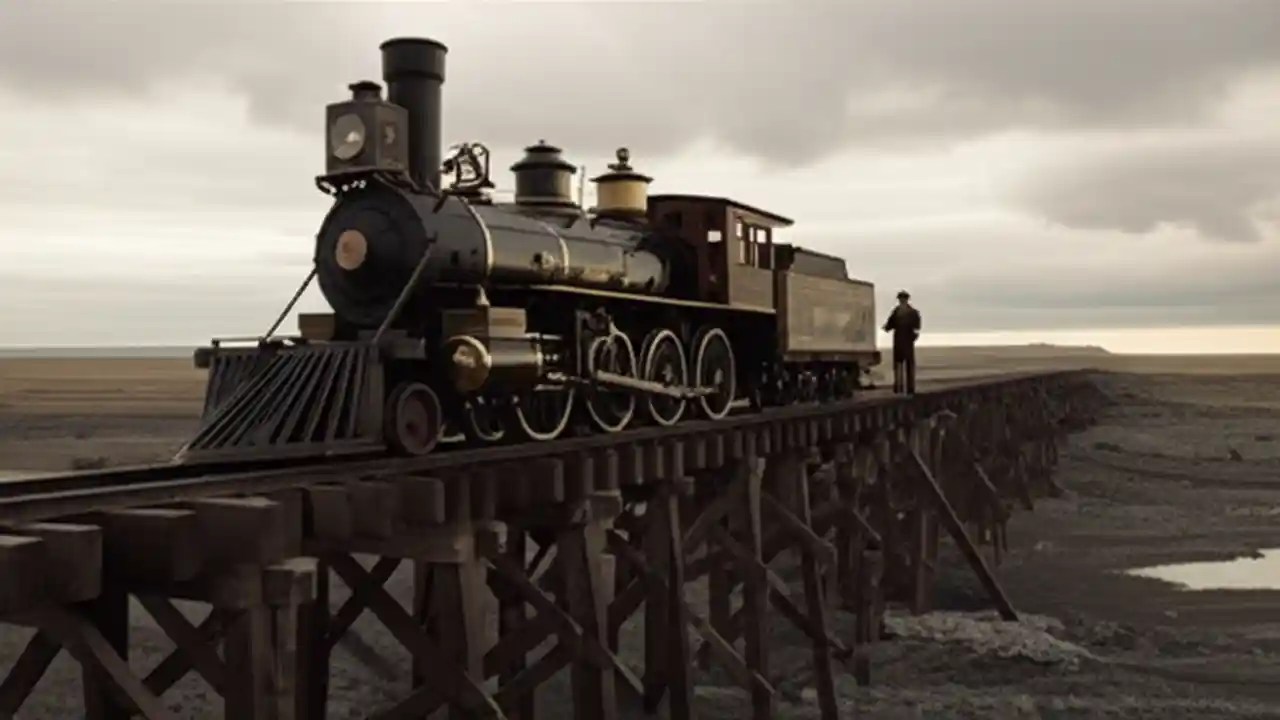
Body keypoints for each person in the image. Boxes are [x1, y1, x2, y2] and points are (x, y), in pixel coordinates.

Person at [882, 290, 921, 396]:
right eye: (900, 299)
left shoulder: (910, 313)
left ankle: (908, 388)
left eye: (903, 299)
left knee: (906, 366)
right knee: (900, 366)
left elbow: (916, 329)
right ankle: (900, 388)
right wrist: (886, 327)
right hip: (901, 342)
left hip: (905, 342)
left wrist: (912, 337)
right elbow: (890, 324)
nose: (901, 301)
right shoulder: (899, 312)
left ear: (906, 300)